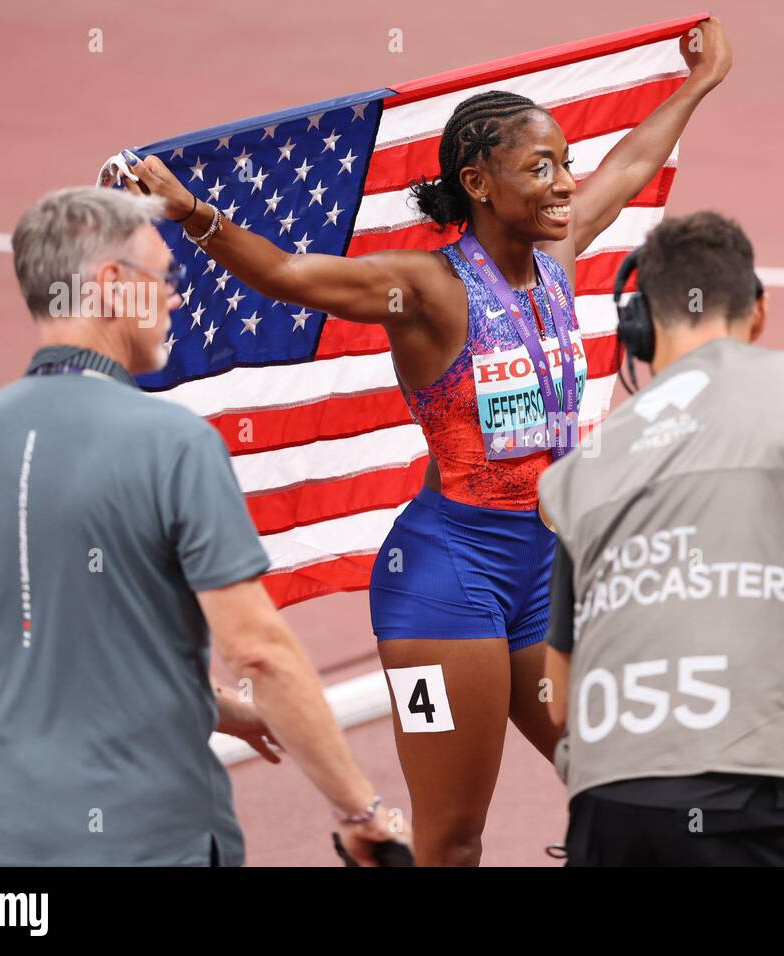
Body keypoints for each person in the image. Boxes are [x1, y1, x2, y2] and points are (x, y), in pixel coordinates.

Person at [119, 16, 733, 866]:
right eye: (540, 167)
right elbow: (291, 277)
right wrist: (191, 213)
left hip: (544, 574)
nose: (564, 182)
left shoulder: (557, 257)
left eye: (563, 163)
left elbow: (629, 167)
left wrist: (697, 84)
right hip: (442, 590)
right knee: (451, 842)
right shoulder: (428, 289)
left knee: (626, 782)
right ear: (478, 183)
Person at [0, 186, 407, 866]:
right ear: (111, 285)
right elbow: (258, 650)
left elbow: (43, 630)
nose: (176, 299)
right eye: (164, 277)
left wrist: (205, 700)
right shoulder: (171, 440)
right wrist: (358, 809)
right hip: (143, 838)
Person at [537, 211, 784, 866]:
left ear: (638, 328)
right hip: (766, 795)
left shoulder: (578, 475)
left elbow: (557, 697)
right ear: (757, 312)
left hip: (612, 810)